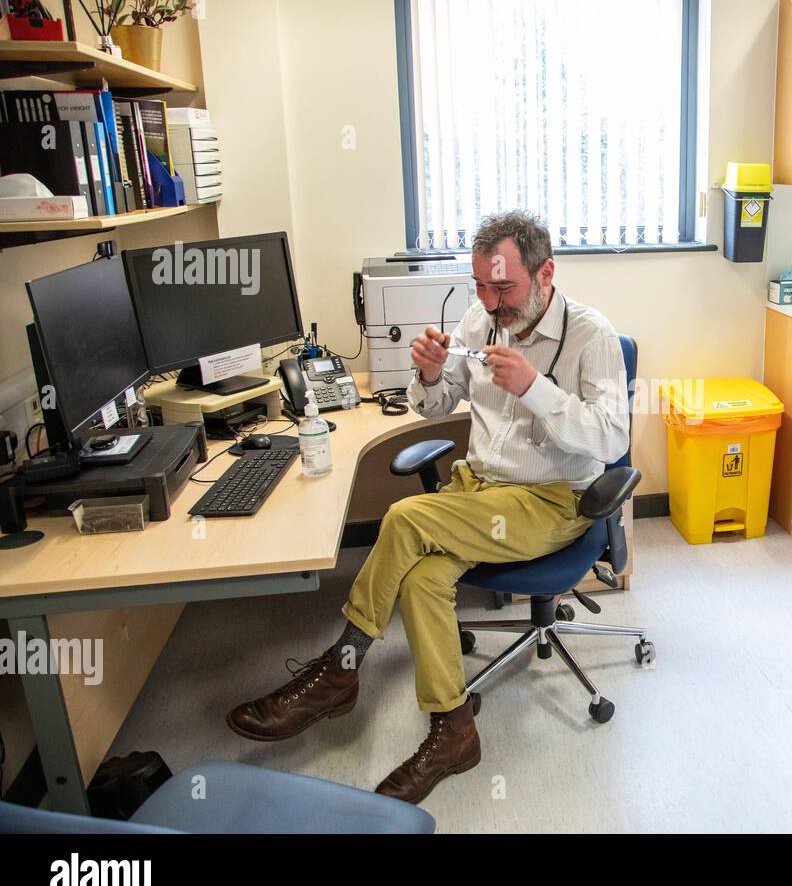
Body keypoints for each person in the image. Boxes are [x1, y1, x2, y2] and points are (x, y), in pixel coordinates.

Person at [226, 210, 630, 804]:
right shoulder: (479, 320)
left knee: (404, 517)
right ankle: (455, 731)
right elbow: (436, 406)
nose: (491, 303)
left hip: (552, 500)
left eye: (504, 287)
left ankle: (339, 668)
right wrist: (430, 373)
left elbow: (612, 439)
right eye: (481, 288)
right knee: (421, 580)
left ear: (546, 273)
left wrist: (535, 389)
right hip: (479, 491)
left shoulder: (591, 337)